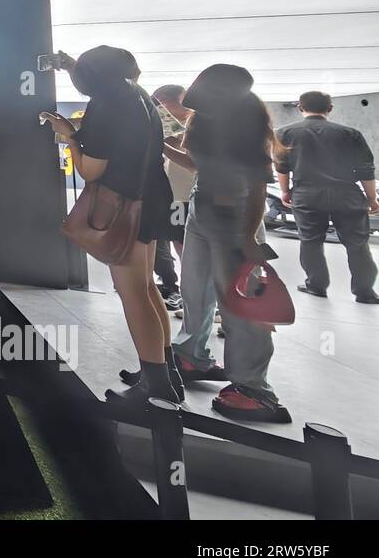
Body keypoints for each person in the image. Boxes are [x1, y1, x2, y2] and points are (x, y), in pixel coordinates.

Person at [41, 46, 180, 405]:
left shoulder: (105, 104)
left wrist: (69, 135)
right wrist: (72, 65)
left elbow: (90, 170)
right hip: (150, 198)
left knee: (133, 294)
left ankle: (155, 387)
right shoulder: (138, 95)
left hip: (125, 205)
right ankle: (166, 371)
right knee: (147, 288)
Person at [166, 64, 291, 423]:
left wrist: (250, 236)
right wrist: (159, 143)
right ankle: (192, 354)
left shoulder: (247, 123)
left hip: (236, 220)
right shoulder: (204, 120)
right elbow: (195, 164)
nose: (193, 89)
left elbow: (256, 187)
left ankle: (255, 389)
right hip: (201, 213)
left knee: (240, 304)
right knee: (194, 289)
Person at [275, 91, 378, 303]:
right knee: (357, 243)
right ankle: (364, 292)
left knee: (311, 240)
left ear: (300, 107)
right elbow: (366, 169)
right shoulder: (351, 133)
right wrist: (371, 198)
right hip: (347, 194)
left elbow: (282, 167)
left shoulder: (285, 132)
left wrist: (285, 191)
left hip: (307, 194)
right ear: (329, 108)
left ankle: (316, 285)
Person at [152, 84, 194, 311]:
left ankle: (197, 299)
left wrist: (166, 142)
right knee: (178, 244)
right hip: (174, 196)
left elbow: (190, 160)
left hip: (192, 194)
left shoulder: (196, 124)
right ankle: (184, 294)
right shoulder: (167, 126)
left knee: (189, 247)